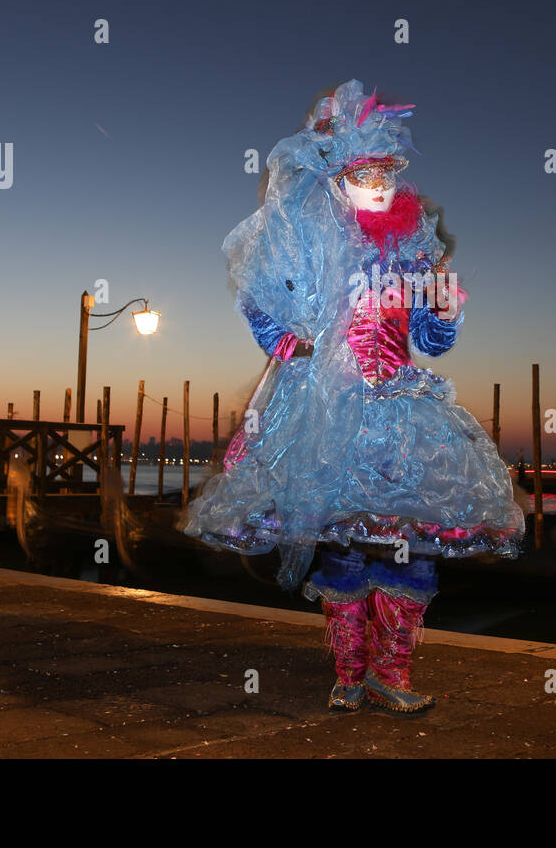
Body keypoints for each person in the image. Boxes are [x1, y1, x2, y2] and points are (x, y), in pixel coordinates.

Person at [181, 79, 524, 713]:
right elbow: (260, 297)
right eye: (364, 172)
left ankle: (391, 673)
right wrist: (284, 341)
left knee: (408, 544)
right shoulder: (306, 244)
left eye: (386, 170)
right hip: (321, 412)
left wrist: (444, 309)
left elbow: (433, 339)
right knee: (340, 544)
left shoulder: (413, 254)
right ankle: (348, 671)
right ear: (338, 179)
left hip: (400, 413)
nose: (378, 182)